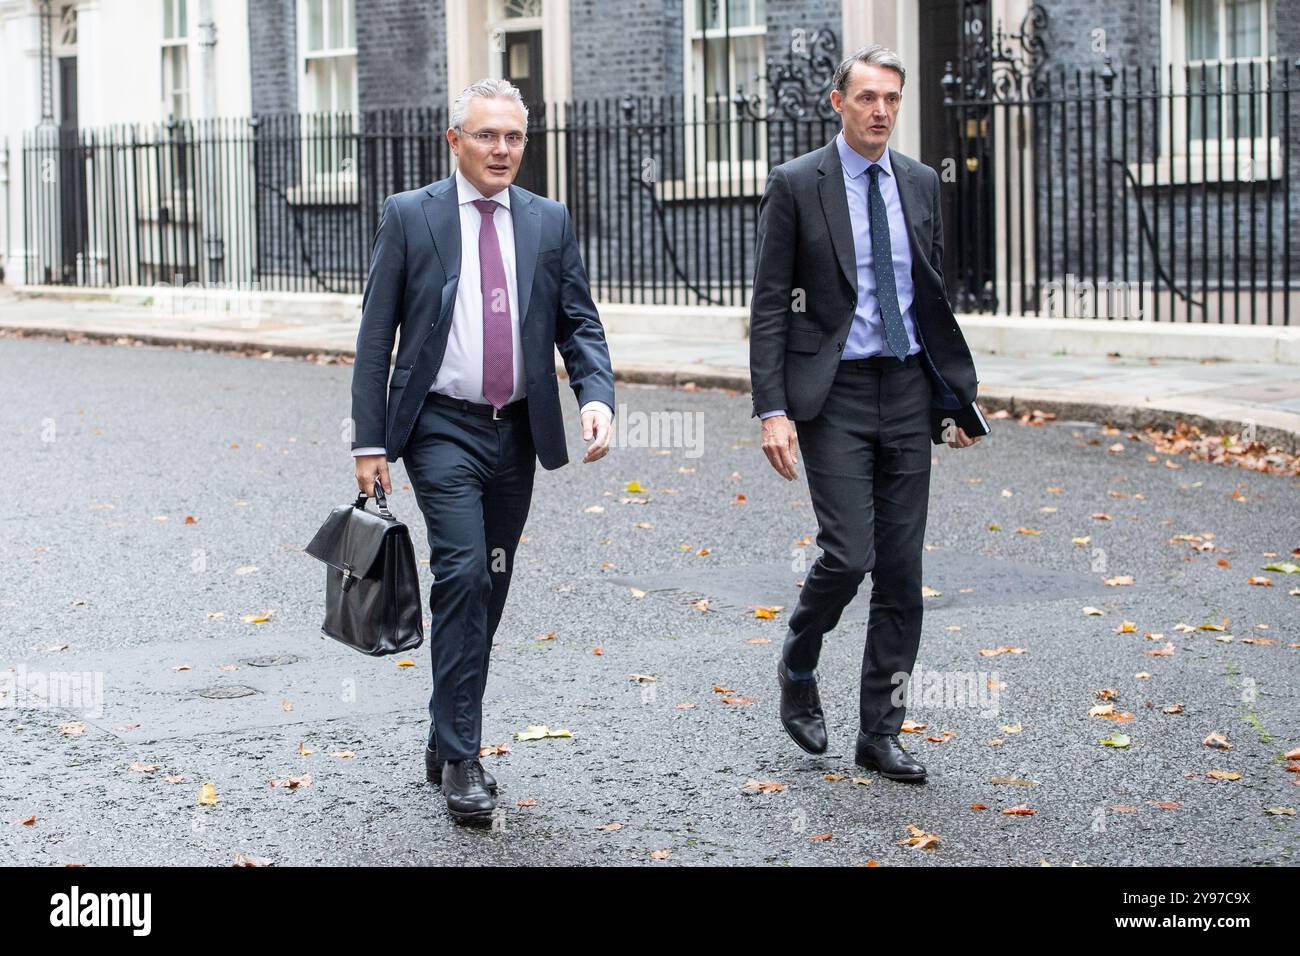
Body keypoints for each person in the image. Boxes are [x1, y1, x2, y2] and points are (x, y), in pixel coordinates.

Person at [350, 79, 615, 824]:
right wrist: (368, 442)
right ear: (454, 140)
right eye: (488, 135)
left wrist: (595, 395)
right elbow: (377, 337)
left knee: (489, 586)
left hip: (517, 430)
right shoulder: (411, 216)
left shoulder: (548, 220)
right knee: (462, 570)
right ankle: (463, 759)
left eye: (514, 138)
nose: (502, 150)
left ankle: (445, 721)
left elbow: (579, 322)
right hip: (440, 425)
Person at [748, 45, 985, 783]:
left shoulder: (918, 181)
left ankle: (880, 733)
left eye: (891, 98)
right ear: (837, 102)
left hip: (909, 389)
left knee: (903, 572)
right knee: (850, 553)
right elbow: (769, 307)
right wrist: (772, 409)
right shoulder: (796, 184)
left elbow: (931, 294)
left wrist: (954, 397)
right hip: (836, 394)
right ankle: (799, 653)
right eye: (867, 97)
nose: (880, 110)